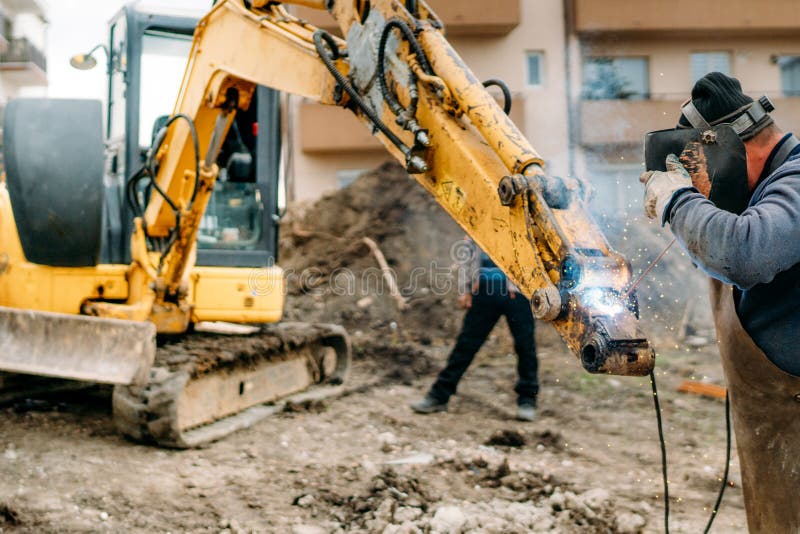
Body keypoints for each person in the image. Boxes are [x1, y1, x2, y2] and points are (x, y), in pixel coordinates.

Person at [640, 72, 800, 531]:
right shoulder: (768, 190)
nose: (705, 182)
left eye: (703, 167)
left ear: (730, 148)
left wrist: (679, 201)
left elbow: (745, 253)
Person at [410, 237, 539, 421]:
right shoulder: (481, 216)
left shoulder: (525, 219)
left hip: (517, 293)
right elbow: (467, 256)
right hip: (484, 290)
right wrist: (465, 289)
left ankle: (527, 401)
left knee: (526, 347)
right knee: (466, 345)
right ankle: (439, 396)